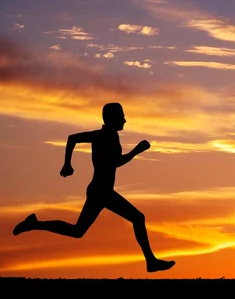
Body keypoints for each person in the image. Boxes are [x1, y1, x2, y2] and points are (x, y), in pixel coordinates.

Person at [13, 102, 175, 273]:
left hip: (100, 191)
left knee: (77, 230)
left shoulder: (110, 136)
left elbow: (77, 141)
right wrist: (136, 151)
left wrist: (68, 163)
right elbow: (111, 160)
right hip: (101, 191)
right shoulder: (102, 136)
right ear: (113, 119)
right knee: (138, 218)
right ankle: (150, 261)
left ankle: (34, 224)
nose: (125, 120)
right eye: (122, 117)